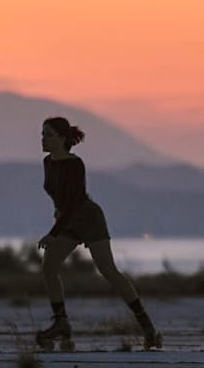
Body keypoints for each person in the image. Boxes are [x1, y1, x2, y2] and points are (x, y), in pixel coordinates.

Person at [35, 116, 162, 351]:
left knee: (108, 270)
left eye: (48, 135)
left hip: (87, 218)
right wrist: (57, 213)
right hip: (67, 220)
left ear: (63, 139)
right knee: (49, 267)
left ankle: (149, 329)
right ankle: (61, 323)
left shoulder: (75, 164)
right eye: (42, 134)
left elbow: (74, 200)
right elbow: (60, 197)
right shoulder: (47, 162)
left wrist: (53, 233)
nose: (43, 139)